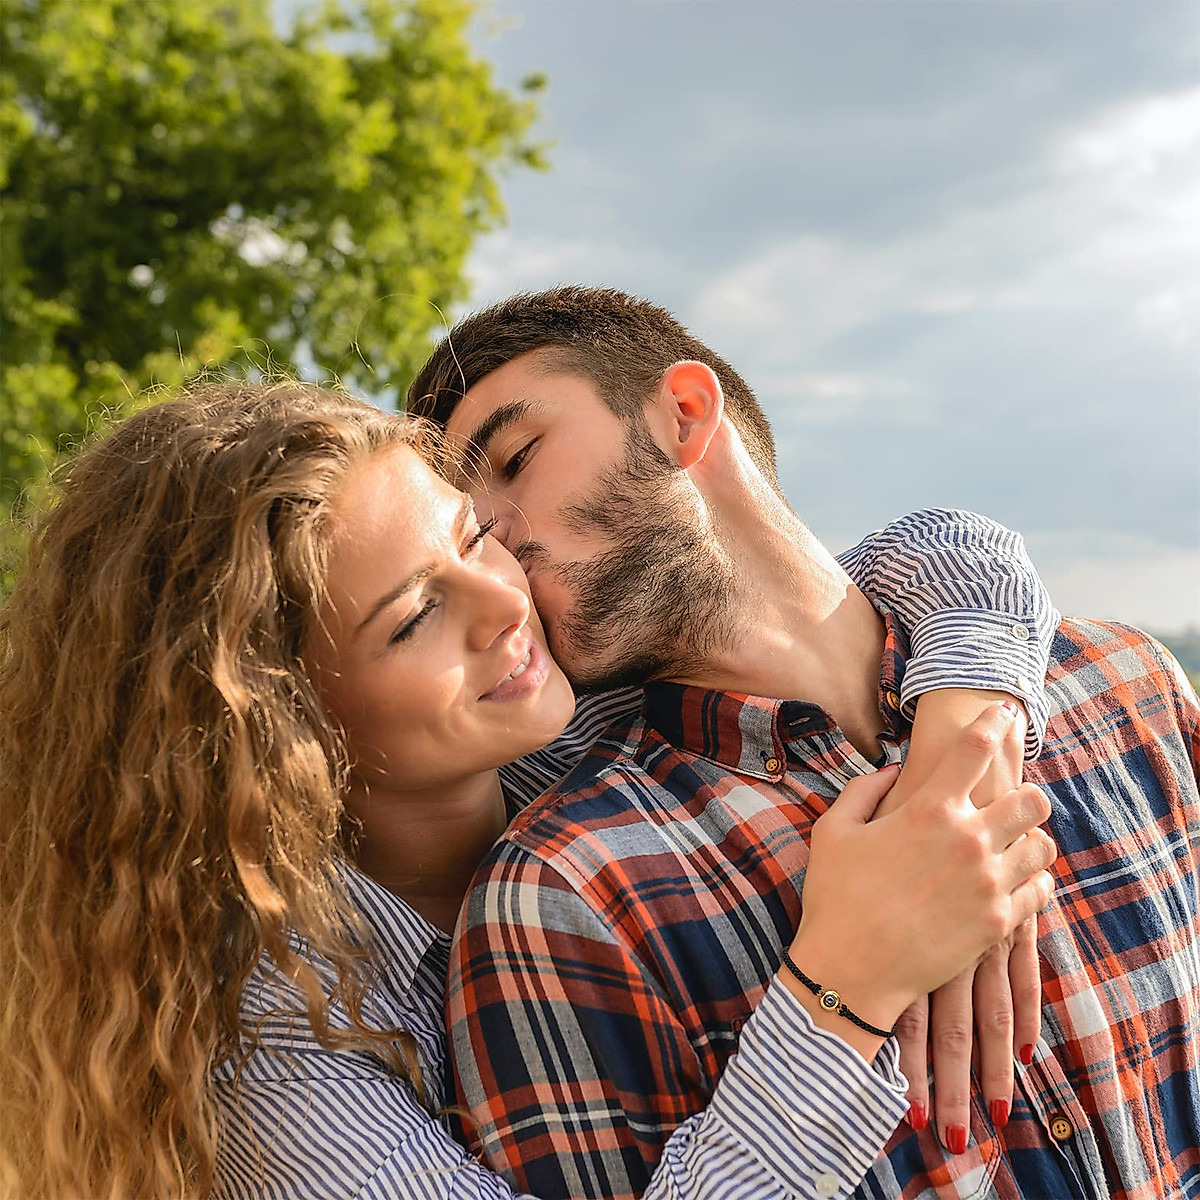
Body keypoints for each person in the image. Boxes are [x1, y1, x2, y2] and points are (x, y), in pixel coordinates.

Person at [0, 381, 1059, 1200]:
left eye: (472, 538)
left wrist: (962, 756)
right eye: (414, 619)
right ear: (274, 727)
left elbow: (936, 556)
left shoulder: (566, 723)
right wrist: (843, 990)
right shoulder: (272, 1055)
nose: (505, 607)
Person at [409, 286, 1200, 1200]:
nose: (498, 541)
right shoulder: (561, 897)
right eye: (470, 533)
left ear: (684, 415)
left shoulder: (1127, 685)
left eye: (515, 457)